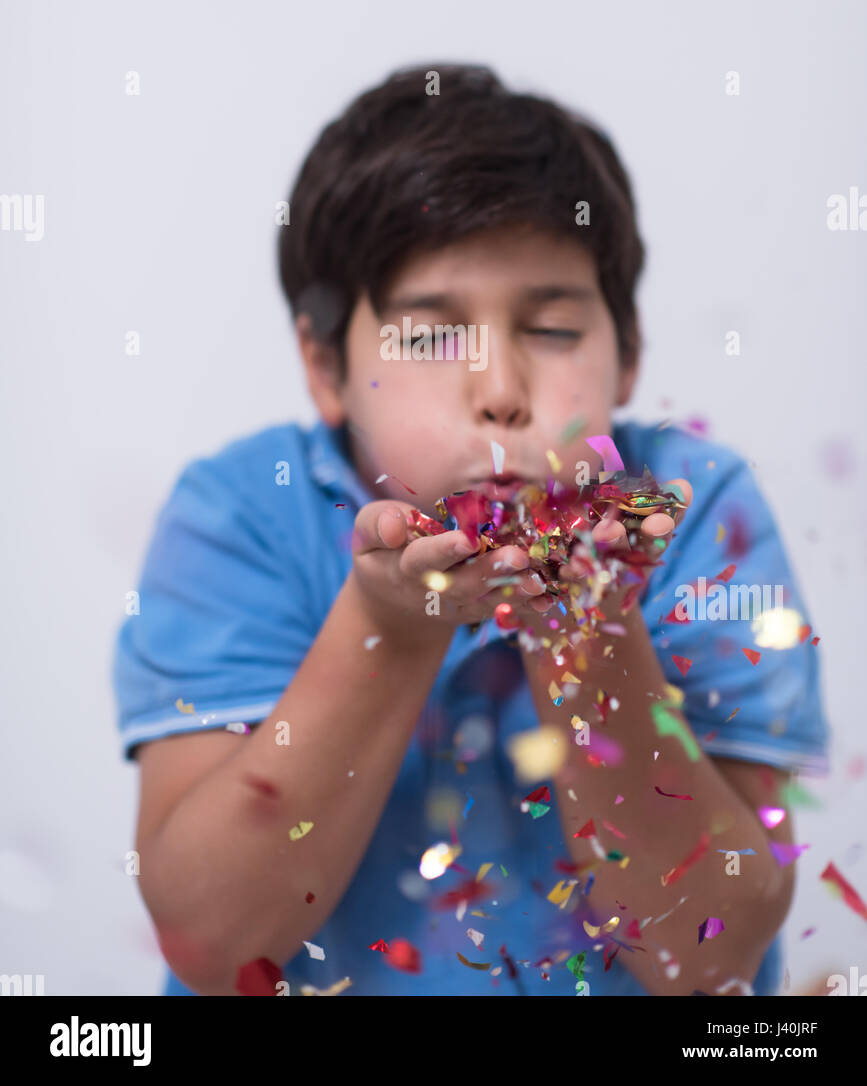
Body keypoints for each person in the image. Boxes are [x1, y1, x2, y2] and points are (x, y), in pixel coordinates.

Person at [113, 62, 830, 996]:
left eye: (553, 329)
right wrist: (389, 625)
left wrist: (586, 628)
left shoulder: (691, 506)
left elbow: (704, 959)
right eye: (428, 336)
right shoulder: (239, 514)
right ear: (325, 366)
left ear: (628, 355)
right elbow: (212, 944)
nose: (499, 392)